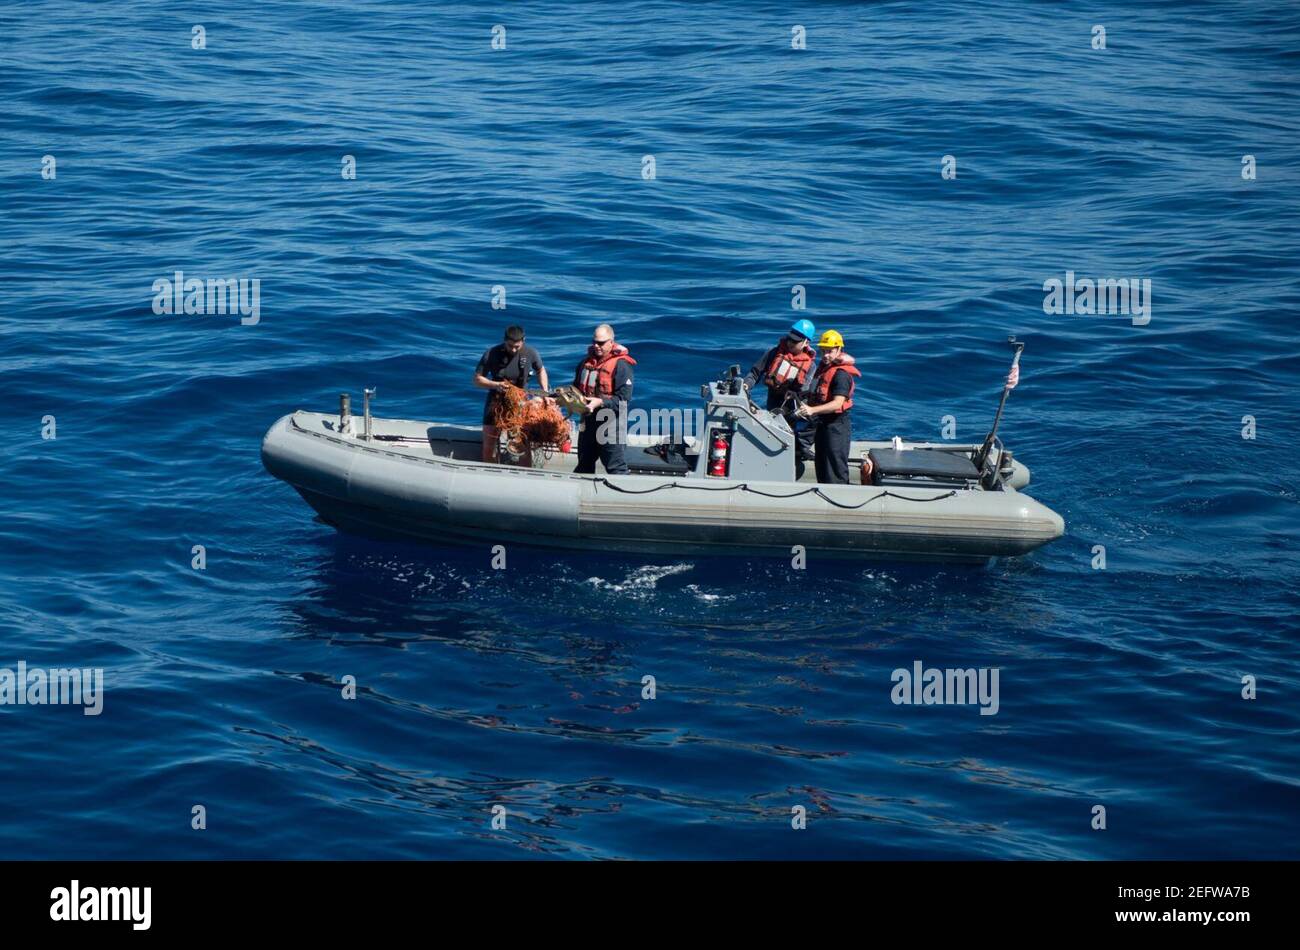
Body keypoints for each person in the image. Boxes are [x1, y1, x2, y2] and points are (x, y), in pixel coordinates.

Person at [743, 319, 819, 474]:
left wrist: (796, 407)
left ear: (806, 342)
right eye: (790, 338)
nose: (791, 343)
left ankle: (800, 450)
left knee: (810, 421)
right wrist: (746, 385)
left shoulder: (811, 366)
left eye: (796, 341)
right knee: (773, 427)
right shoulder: (774, 352)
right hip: (775, 399)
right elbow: (755, 372)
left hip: (795, 404)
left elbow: (807, 393)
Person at [473, 325, 548, 462]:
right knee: (489, 446)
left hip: (520, 403)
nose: (513, 349)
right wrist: (496, 385)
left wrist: (545, 392)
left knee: (522, 445)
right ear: (504, 340)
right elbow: (477, 380)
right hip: (495, 402)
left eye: (517, 347)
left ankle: (525, 475)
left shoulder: (531, 353)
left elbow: (541, 370)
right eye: (510, 346)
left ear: (523, 341)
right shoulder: (491, 353)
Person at [796, 329, 861, 484]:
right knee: (821, 463)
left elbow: (837, 403)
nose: (825, 355)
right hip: (822, 424)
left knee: (835, 466)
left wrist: (812, 410)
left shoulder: (841, 375)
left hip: (836, 426)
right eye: (823, 351)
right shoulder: (824, 368)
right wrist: (798, 396)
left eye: (829, 351)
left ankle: (840, 499)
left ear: (839, 350)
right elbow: (819, 392)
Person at [573, 323, 634, 475]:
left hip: (610, 425)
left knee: (615, 468)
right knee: (584, 465)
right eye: (594, 342)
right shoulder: (584, 363)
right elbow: (575, 389)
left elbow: (624, 401)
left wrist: (600, 402)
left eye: (600, 343)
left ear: (611, 342)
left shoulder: (622, 366)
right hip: (587, 423)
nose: (596, 346)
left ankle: (622, 496)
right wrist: (559, 399)